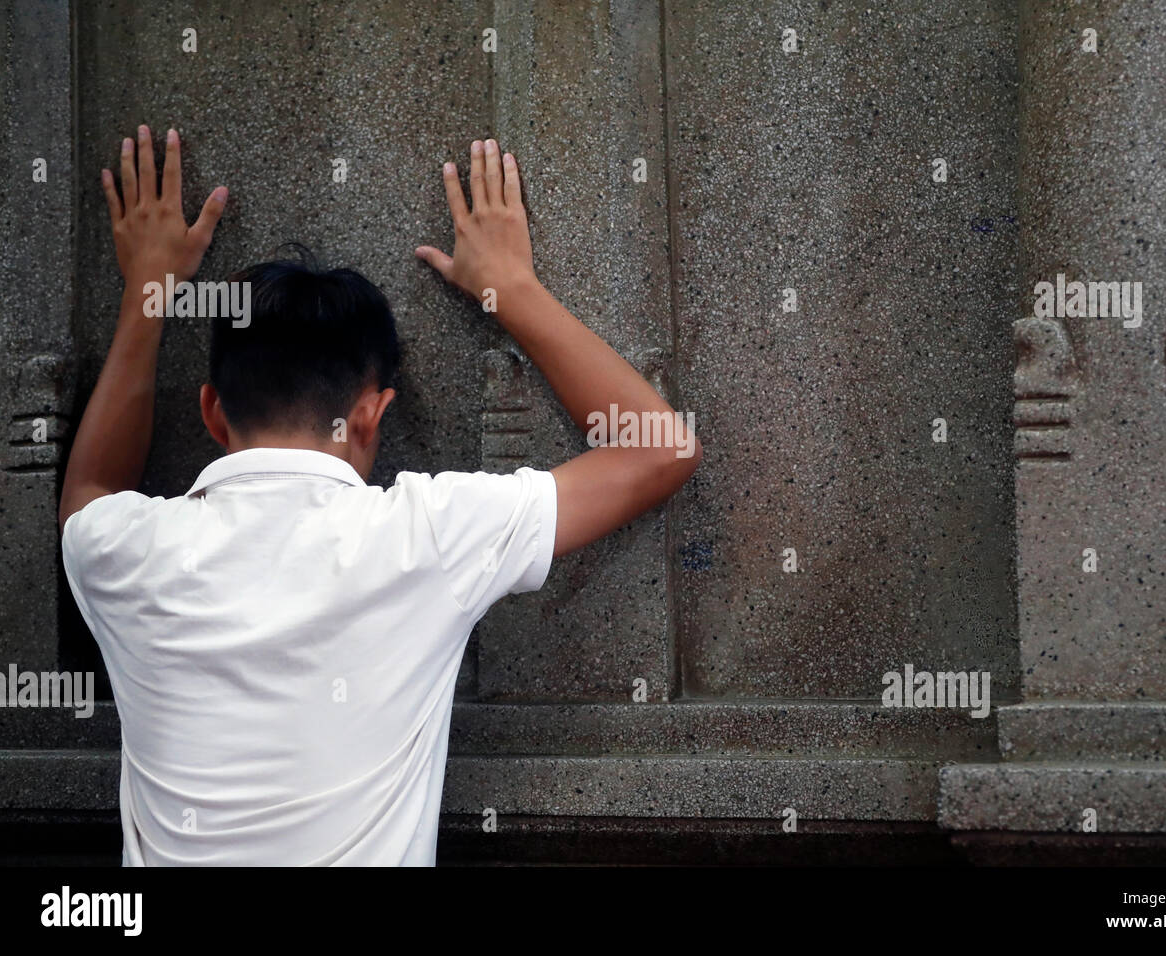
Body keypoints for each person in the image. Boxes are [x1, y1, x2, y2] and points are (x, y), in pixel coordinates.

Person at [58, 127, 701, 865]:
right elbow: (661, 448)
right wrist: (513, 290)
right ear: (371, 414)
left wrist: (147, 293)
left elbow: (89, 488)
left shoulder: (123, 550)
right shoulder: (426, 536)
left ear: (211, 412)